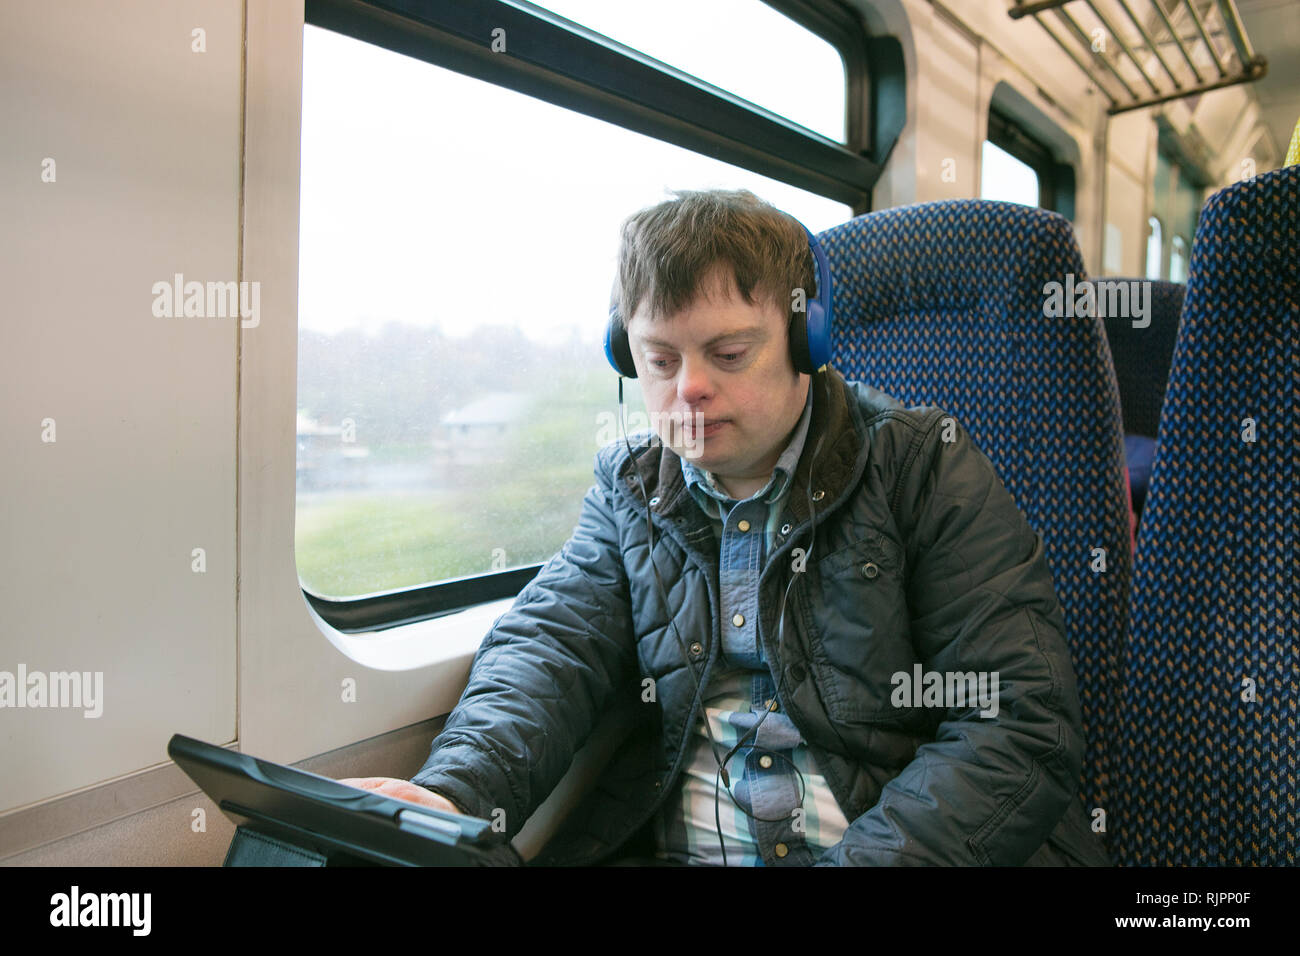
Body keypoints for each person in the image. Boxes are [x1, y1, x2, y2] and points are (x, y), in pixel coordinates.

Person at [341, 188, 1111, 867]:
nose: (690, 389)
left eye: (729, 352)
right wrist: (448, 794)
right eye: (660, 359)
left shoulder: (921, 467)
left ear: (807, 341)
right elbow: (551, 648)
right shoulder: (630, 490)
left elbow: (1017, 721)